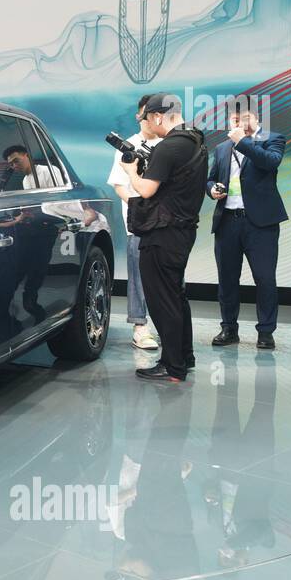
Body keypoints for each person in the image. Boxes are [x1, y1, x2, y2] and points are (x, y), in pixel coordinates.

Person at [121, 93, 208, 382]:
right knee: (176, 296)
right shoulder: (195, 141)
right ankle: (184, 356)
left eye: (147, 118)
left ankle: (173, 366)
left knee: (163, 300)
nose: (147, 124)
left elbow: (145, 190)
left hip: (163, 234)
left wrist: (131, 171)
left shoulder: (169, 147)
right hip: (183, 230)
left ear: (158, 117)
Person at [206, 105, 287, 349]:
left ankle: (265, 331)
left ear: (257, 118)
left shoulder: (272, 139)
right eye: (234, 119)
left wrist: (243, 142)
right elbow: (210, 178)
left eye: (245, 118)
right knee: (227, 279)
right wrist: (211, 189)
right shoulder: (222, 148)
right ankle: (228, 328)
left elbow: (270, 163)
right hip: (227, 220)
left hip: (260, 223)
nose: (239, 123)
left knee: (264, 279)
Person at [106, 95, 162, 351]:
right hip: (139, 222)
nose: (153, 117)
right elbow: (119, 185)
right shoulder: (127, 145)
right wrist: (142, 207)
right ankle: (140, 326)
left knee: (171, 278)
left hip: (168, 223)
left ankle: (168, 326)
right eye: (148, 112)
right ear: (140, 115)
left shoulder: (171, 144)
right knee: (138, 276)